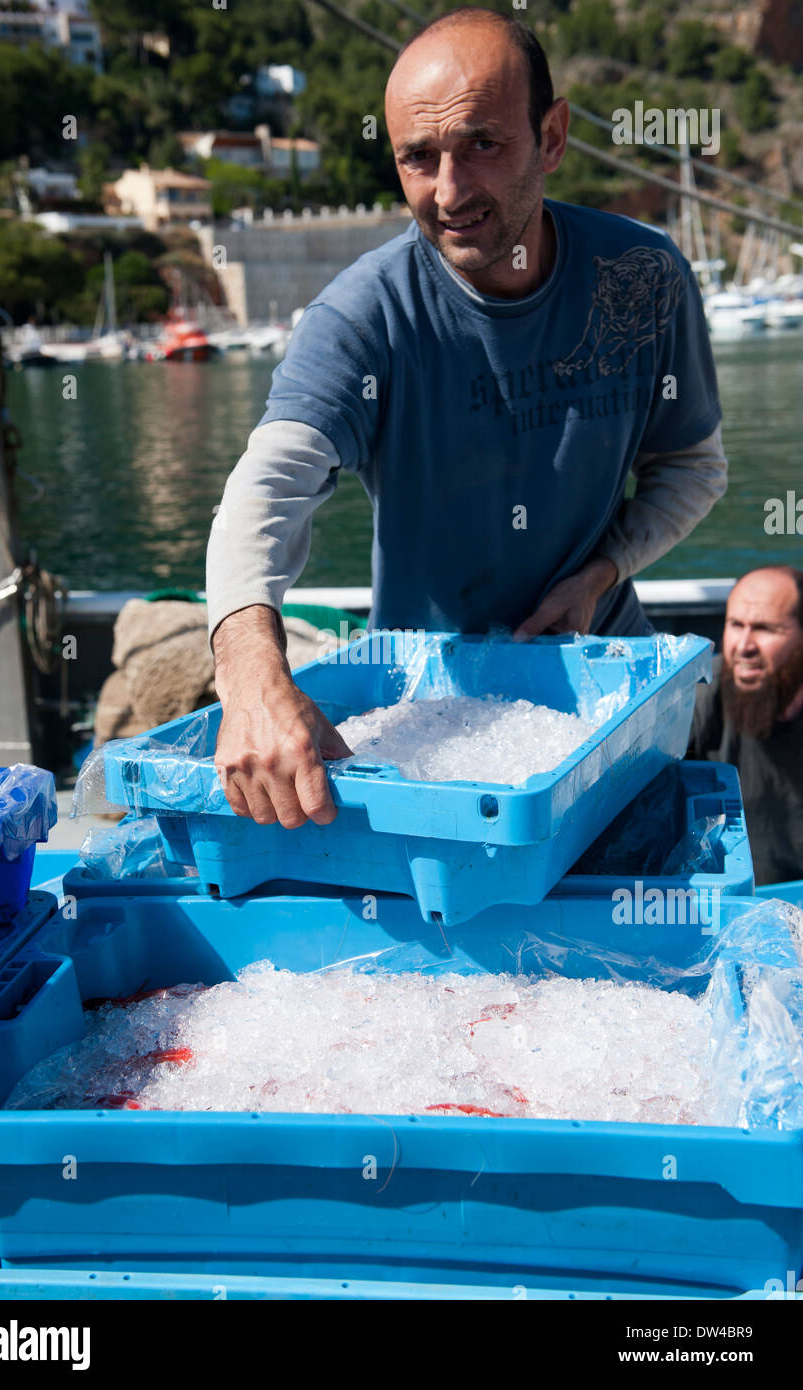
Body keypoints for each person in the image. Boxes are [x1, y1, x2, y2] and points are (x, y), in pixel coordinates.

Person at [207, 9, 727, 829]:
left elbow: (691, 466)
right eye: (419, 158)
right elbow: (265, 493)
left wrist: (600, 573)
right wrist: (249, 678)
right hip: (428, 725)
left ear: (552, 138)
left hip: (605, 691)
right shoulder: (363, 316)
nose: (450, 193)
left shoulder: (643, 278)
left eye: (483, 144)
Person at [687, 566, 803, 886]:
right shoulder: (694, 699)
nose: (744, 646)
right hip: (728, 911)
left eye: (765, 629)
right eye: (736, 625)